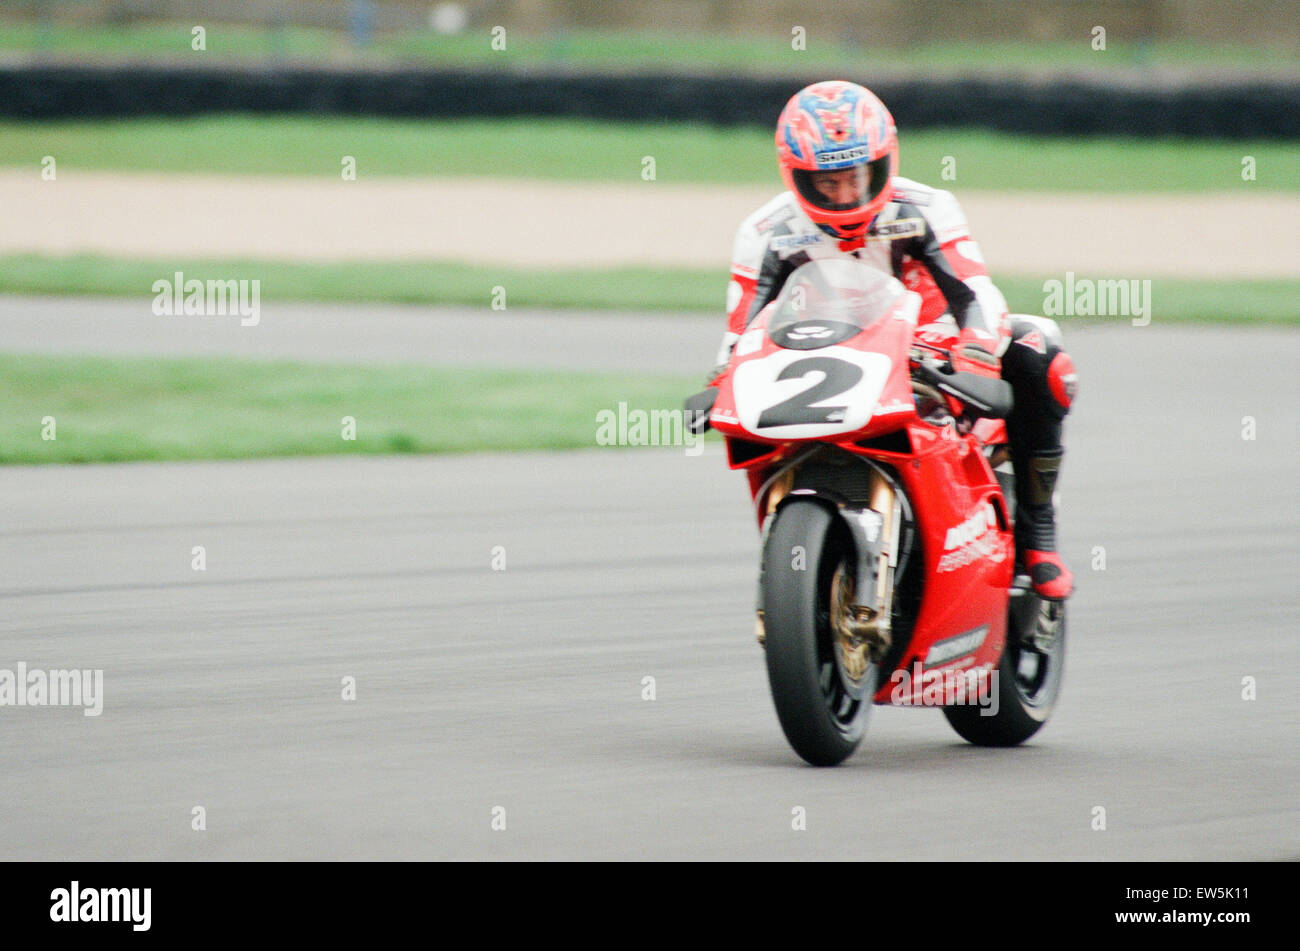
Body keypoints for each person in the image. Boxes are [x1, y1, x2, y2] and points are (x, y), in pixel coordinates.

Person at [711, 80, 1076, 599]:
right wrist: (724, 379)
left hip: (928, 351)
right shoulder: (765, 231)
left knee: (1039, 346)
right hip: (818, 359)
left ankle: (1038, 528)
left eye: (857, 177)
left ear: (883, 163)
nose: (844, 194)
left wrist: (974, 351)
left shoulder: (927, 207)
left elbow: (976, 293)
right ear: (796, 177)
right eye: (827, 182)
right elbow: (740, 331)